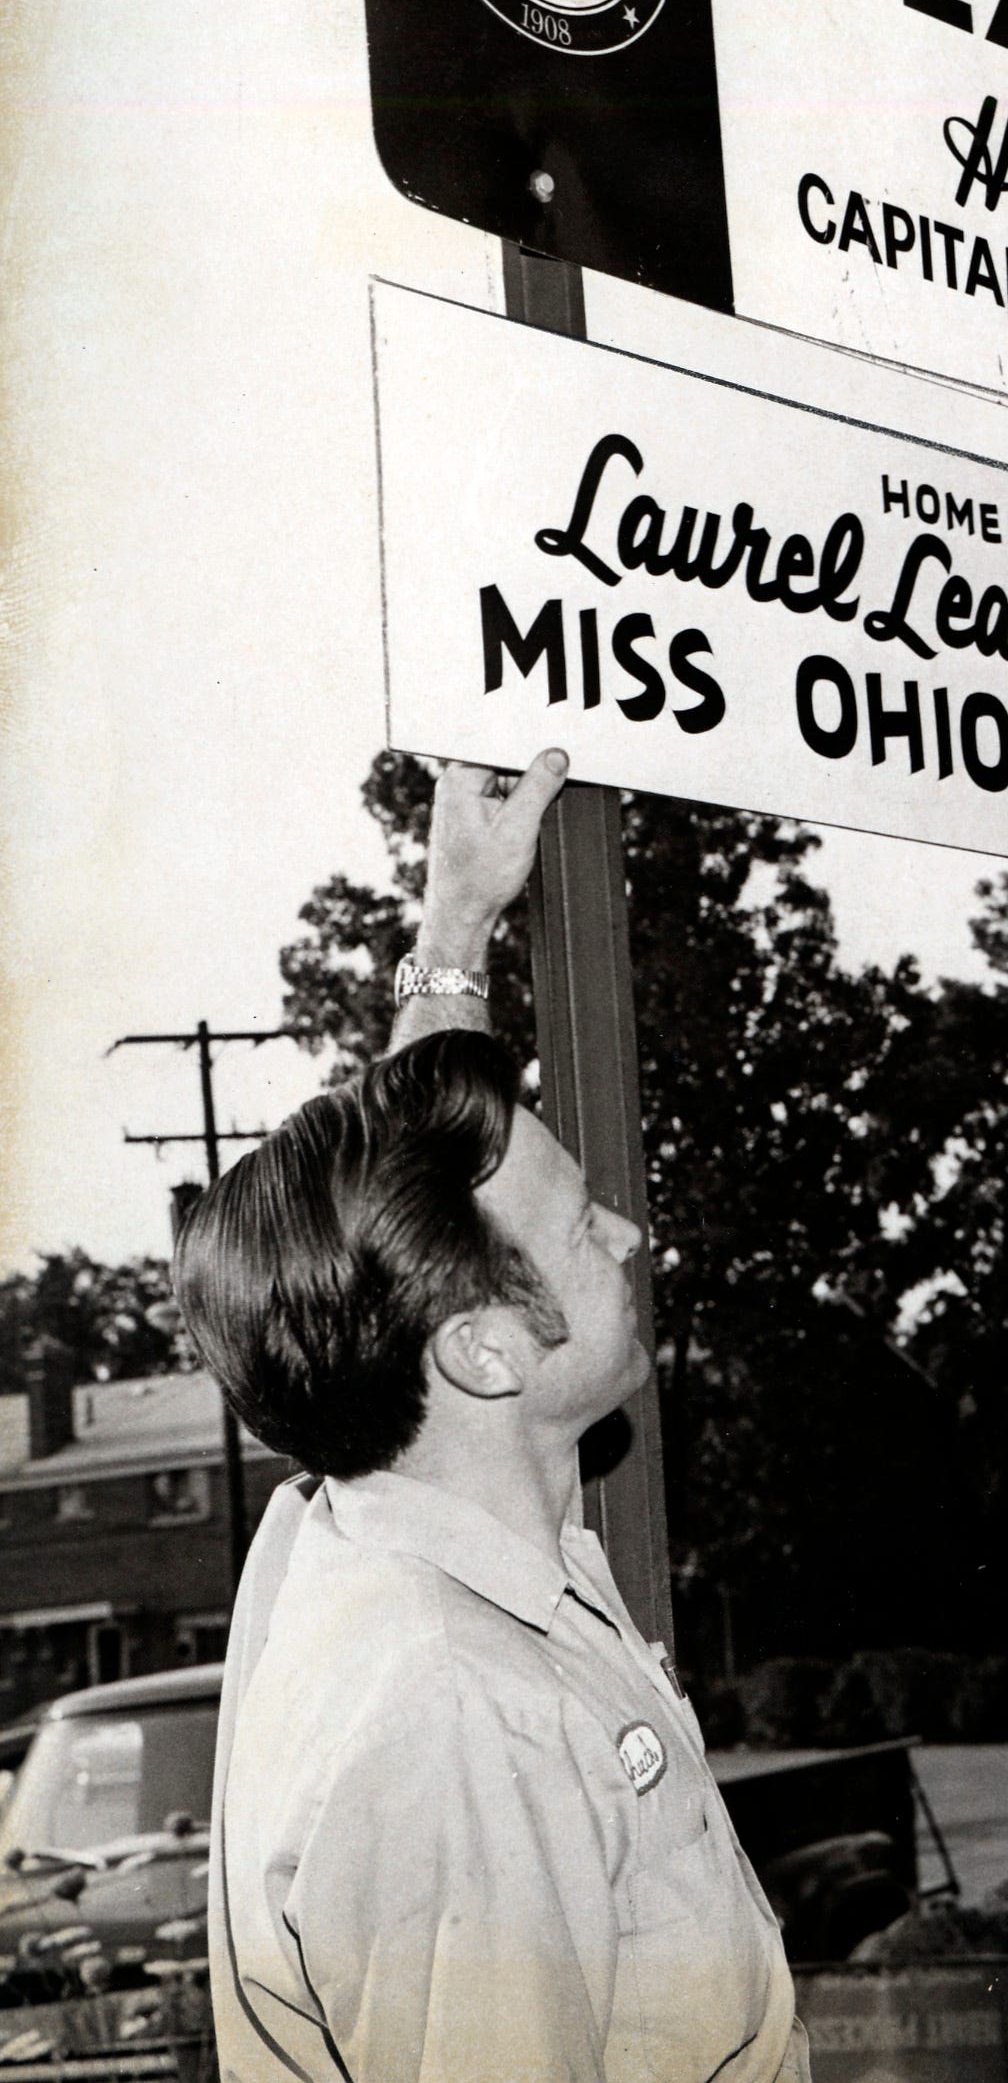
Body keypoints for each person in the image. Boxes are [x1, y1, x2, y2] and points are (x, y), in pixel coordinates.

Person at [175, 749, 806, 2083]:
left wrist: (453, 925)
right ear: (482, 1354)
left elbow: (379, 1222)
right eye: (585, 1224)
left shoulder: (346, 1525)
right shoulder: (462, 1719)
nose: (629, 1234)